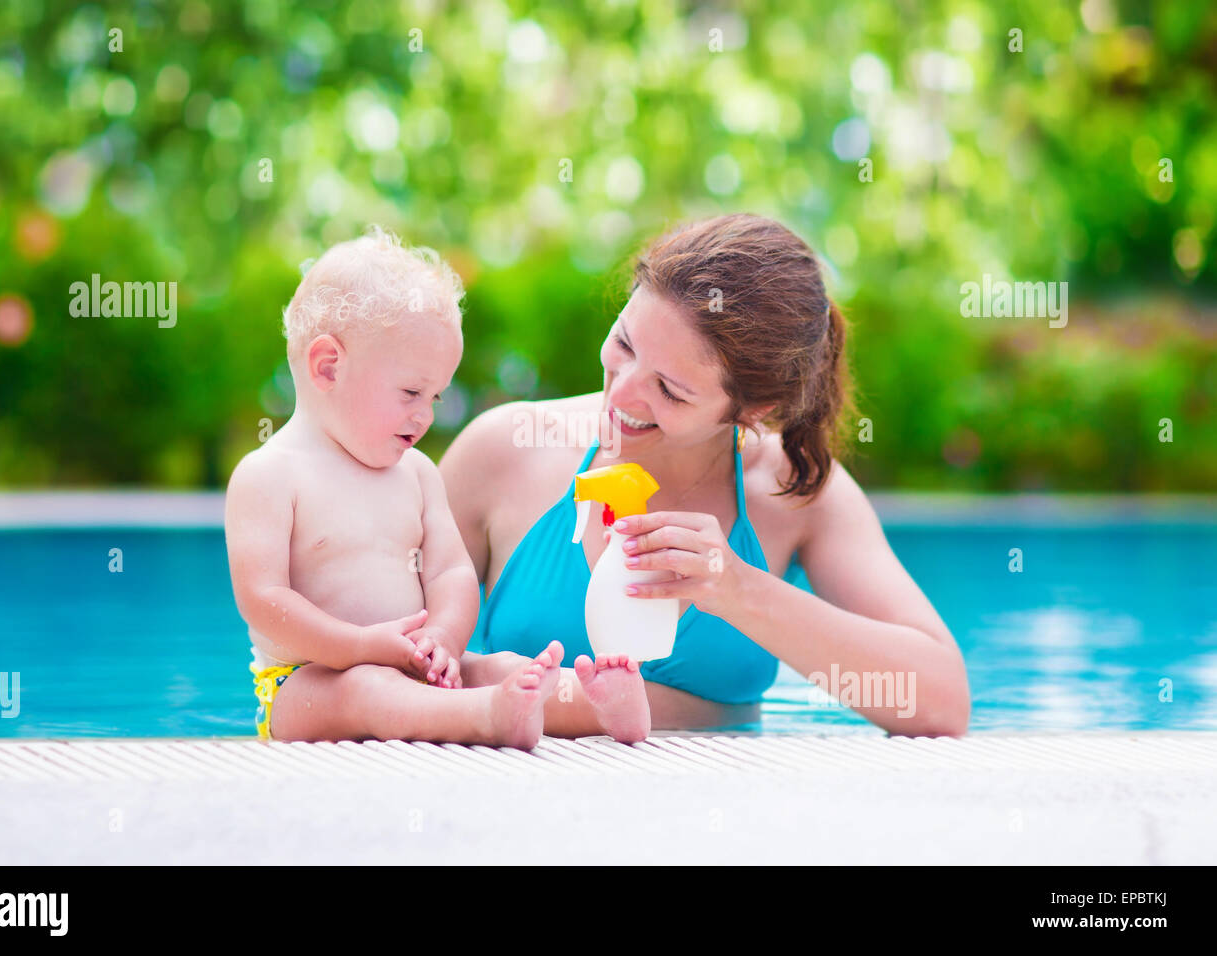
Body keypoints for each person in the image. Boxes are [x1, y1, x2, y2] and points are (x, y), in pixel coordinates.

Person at [441, 213, 971, 737]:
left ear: (753, 409)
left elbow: (941, 701)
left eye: (670, 390)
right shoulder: (505, 451)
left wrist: (739, 588)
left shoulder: (793, 490)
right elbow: (382, 664)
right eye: (625, 344)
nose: (621, 394)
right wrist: (700, 712)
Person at [223, 227, 565, 748]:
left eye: (435, 396)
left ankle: (597, 703)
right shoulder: (269, 475)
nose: (425, 415)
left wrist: (444, 638)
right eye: (411, 392)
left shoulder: (418, 474)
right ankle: (484, 718)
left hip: (414, 665)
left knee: (494, 665)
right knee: (366, 688)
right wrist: (360, 646)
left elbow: (451, 569)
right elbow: (263, 598)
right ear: (328, 366)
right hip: (305, 687)